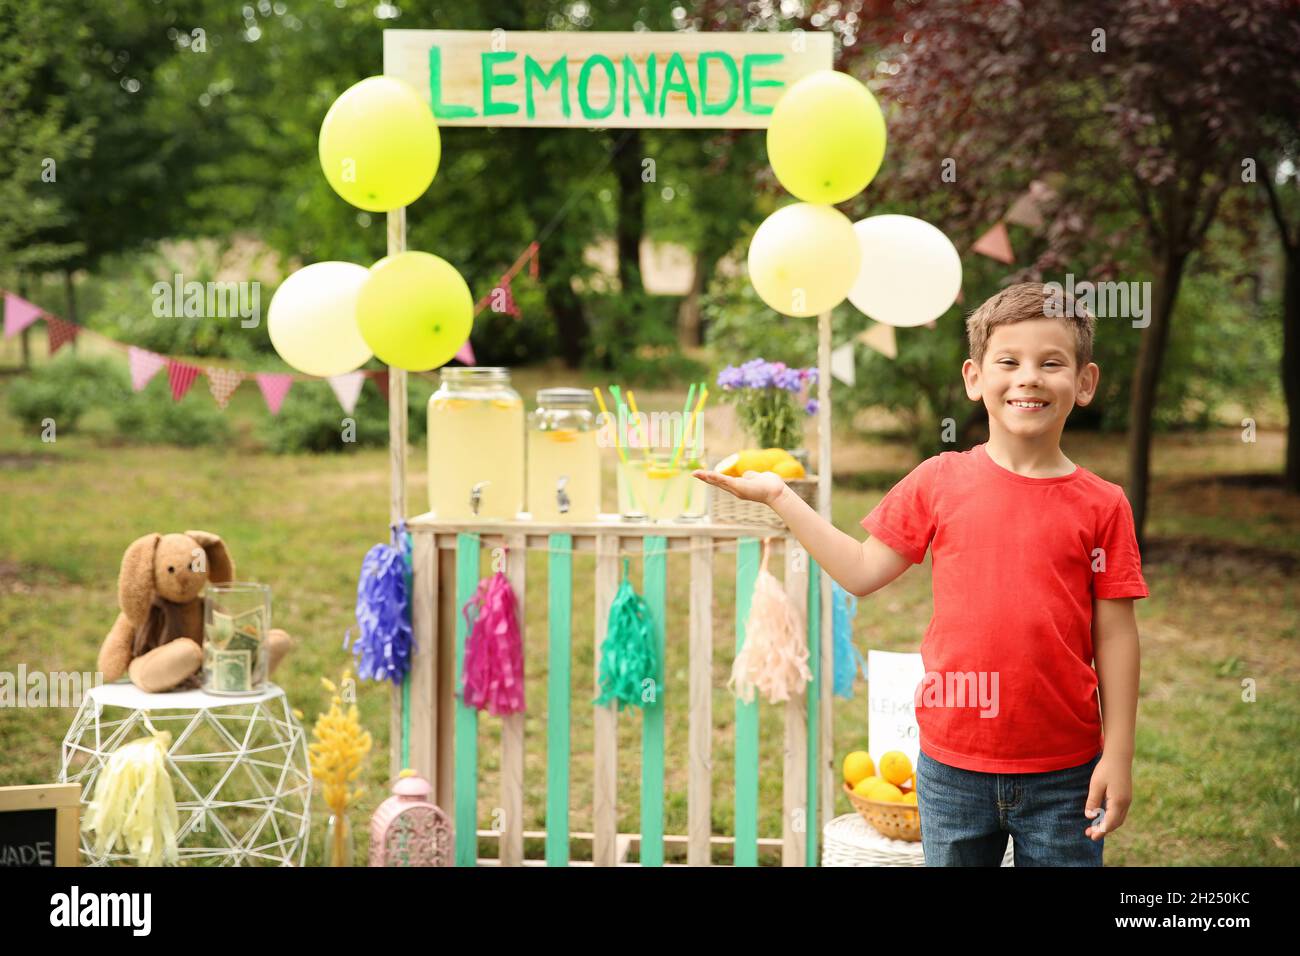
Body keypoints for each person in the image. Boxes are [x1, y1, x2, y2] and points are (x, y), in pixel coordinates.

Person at [693, 282, 1147, 866]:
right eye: (1008, 361)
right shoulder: (939, 480)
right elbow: (859, 570)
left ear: (1084, 383)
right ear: (974, 378)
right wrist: (781, 496)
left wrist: (1119, 753)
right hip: (952, 766)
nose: (1028, 377)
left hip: (1065, 774)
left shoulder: (1103, 504)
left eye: (1050, 362)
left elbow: (1116, 634)